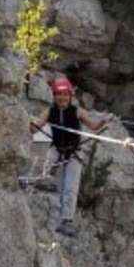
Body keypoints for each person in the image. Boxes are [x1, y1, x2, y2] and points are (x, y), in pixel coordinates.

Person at [29, 76, 108, 236]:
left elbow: (93, 126)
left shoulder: (77, 111)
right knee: (59, 187)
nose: (62, 97)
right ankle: (58, 217)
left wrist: (103, 122)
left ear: (70, 95)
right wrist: (29, 122)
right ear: (54, 95)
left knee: (70, 188)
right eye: (59, 94)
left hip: (73, 153)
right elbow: (35, 129)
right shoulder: (49, 111)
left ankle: (67, 221)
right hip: (57, 151)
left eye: (65, 94)